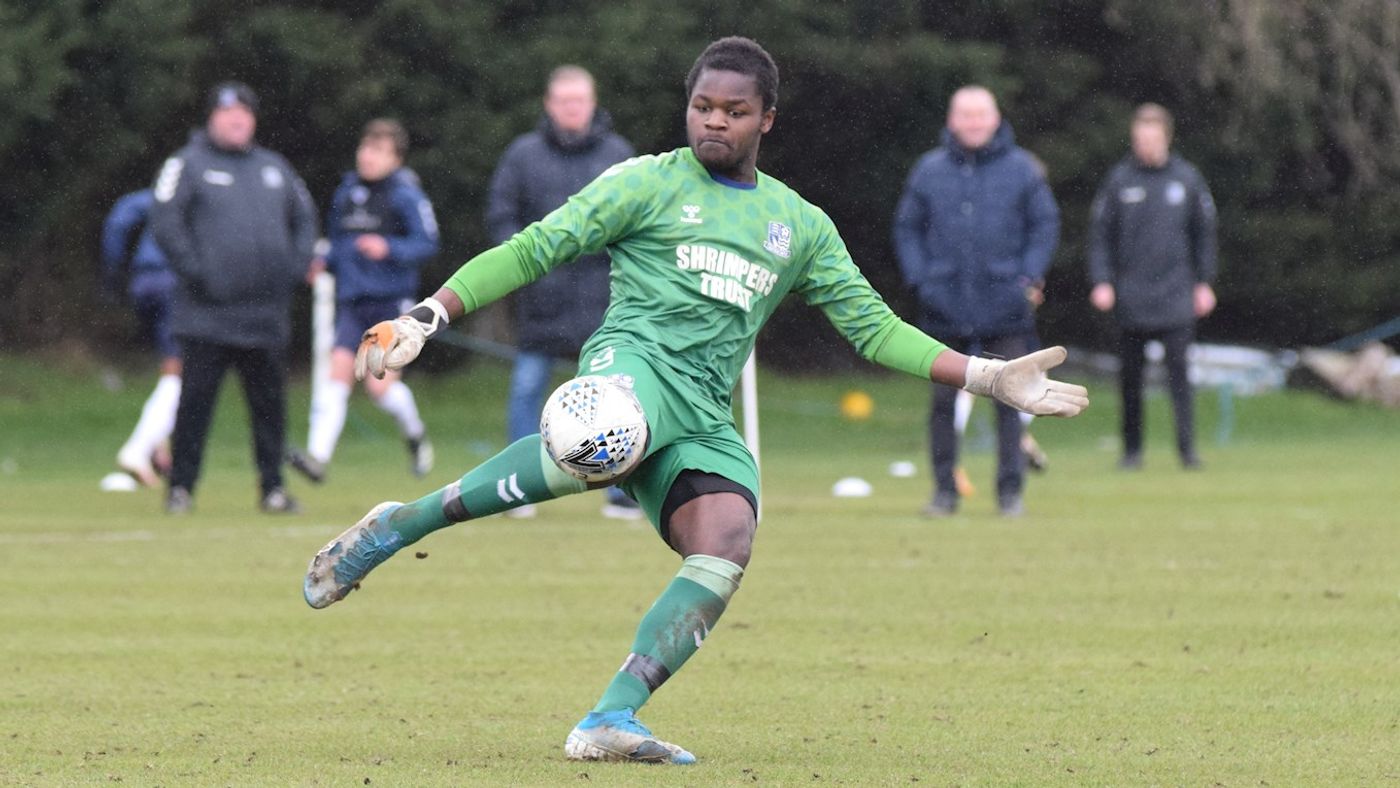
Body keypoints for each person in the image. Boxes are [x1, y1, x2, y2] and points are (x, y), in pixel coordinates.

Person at [302, 38, 1088, 765]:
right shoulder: (645, 181)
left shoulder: (798, 225)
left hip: (703, 414)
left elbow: (875, 330)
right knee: (605, 432)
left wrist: (986, 377)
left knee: (728, 541)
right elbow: (536, 246)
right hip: (626, 373)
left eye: (735, 110)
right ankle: (400, 526)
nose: (715, 120)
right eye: (703, 106)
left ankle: (609, 717)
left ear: (766, 120)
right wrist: (427, 316)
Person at [149, 81, 318, 514]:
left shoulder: (274, 167)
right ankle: (181, 488)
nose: (236, 119)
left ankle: (273, 489)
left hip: (265, 315)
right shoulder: (187, 163)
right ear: (212, 117)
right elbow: (166, 223)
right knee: (195, 407)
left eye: (244, 113)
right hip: (207, 315)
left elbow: (305, 219)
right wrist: (199, 273)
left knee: (270, 409)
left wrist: (294, 270)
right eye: (227, 112)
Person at [892, 86, 1061, 517]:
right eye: (964, 114)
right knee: (944, 407)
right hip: (943, 307)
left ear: (995, 117)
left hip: (1005, 306)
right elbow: (907, 229)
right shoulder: (928, 171)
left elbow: (1045, 226)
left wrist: (1027, 277)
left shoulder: (1022, 170)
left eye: (980, 114)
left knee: (1011, 401)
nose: (972, 122)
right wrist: (921, 279)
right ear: (952, 120)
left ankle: (1010, 494)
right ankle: (944, 493)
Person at [486, 65, 640, 519]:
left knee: (618, 398)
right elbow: (501, 216)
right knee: (526, 389)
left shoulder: (619, 155)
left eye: (580, 100)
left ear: (592, 103)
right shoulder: (522, 155)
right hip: (541, 302)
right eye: (564, 101)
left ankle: (619, 491)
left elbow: (638, 223)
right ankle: (518, 489)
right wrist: (525, 266)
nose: (572, 108)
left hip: (604, 302)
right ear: (549, 105)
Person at [289, 119, 440, 484]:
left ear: (396, 158)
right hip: (354, 301)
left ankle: (416, 436)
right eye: (365, 148)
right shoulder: (348, 191)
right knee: (337, 376)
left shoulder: (407, 195)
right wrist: (323, 263)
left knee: (378, 388)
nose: (368, 157)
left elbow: (428, 243)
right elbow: (339, 241)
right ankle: (317, 459)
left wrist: (389, 247)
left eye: (379, 151)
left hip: (392, 304)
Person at [1088, 103, 1217, 470]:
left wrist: (1204, 283)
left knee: (1180, 379)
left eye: (1153, 138)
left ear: (1166, 138)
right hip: (1131, 297)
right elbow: (1100, 236)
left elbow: (1204, 235)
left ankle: (1187, 450)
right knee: (1130, 382)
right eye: (1140, 138)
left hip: (1176, 296)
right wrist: (1102, 281)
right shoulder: (1119, 180)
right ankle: (1132, 452)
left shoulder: (1187, 179)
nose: (1146, 145)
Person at [100, 188, 182, 488]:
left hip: (145, 281)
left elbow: (119, 220)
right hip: (177, 283)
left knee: (172, 367)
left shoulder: (161, 193)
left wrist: (114, 270)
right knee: (184, 371)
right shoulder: (204, 187)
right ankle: (139, 448)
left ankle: (160, 451)